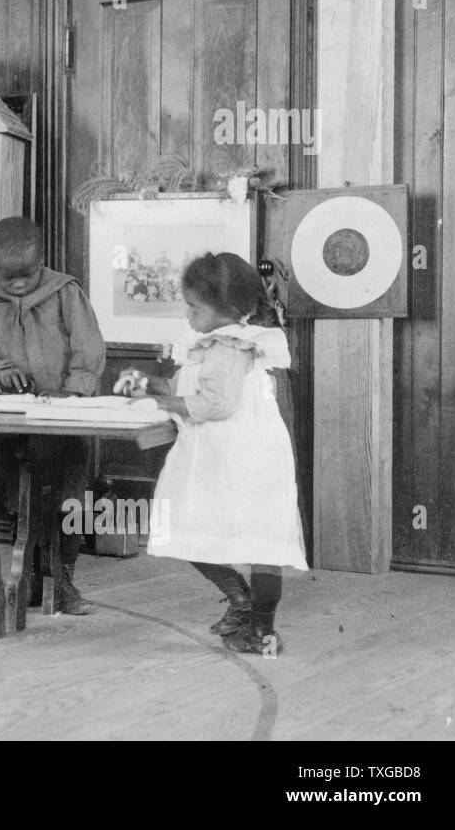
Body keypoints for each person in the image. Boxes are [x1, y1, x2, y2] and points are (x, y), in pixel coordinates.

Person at [116, 252, 307, 656]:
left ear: (229, 311)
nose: (187, 315)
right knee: (222, 534)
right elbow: (191, 385)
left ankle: (257, 624)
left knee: (238, 537)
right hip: (226, 455)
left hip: (237, 457)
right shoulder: (215, 342)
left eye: (194, 308)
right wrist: (153, 384)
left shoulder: (231, 347)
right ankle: (247, 609)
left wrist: (162, 402)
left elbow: (216, 404)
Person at [0, 217, 105, 614]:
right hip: (14, 423)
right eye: (10, 278)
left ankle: (64, 581)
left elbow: (88, 346)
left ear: (42, 260)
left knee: (67, 501)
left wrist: (73, 389)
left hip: (67, 417)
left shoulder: (65, 292)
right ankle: (30, 580)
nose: (20, 284)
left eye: (28, 274)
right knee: (23, 500)